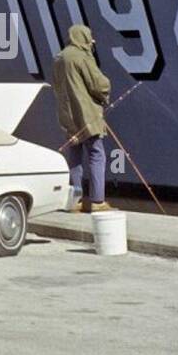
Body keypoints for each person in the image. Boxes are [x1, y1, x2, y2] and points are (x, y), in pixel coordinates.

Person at [52, 24, 112, 213]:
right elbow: (98, 84)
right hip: (87, 114)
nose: (92, 40)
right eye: (90, 36)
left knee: (75, 156)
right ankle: (97, 200)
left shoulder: (59, 58)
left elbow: (56, 86)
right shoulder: (83, 57)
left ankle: (75, 200)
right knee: (96, 154)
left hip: (67, 115)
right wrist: (105, 93)